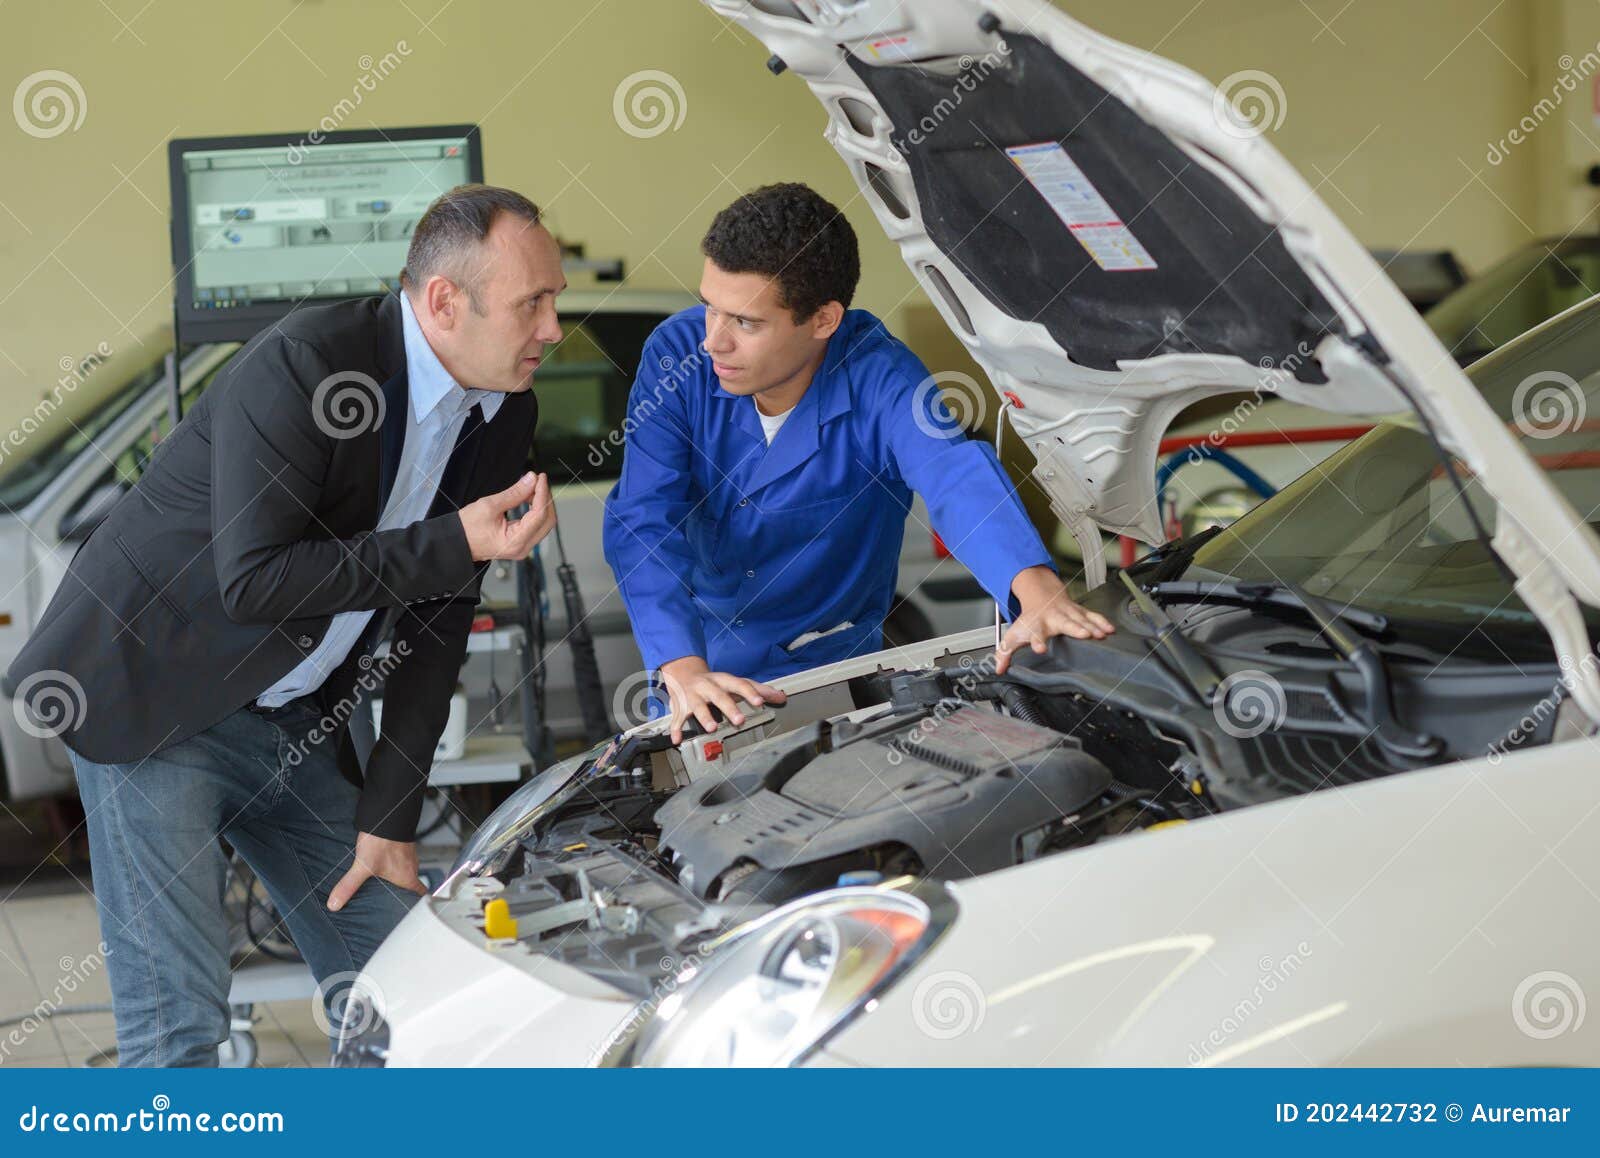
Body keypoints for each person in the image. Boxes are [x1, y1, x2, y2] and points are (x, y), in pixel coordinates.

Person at [3, 183, 563, 1066]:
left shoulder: (503, 408)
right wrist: (452, 540)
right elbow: (257, 581)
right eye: (534, 303)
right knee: (181, 1030)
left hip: (294, 720)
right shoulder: (309, 364)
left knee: (406, 996)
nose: (554, 329)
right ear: (444, 302)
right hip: (156, 698)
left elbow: (440, 614)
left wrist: (392, 816)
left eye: (554, 300)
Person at [603, 183, 1113, 743]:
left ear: (824, 320)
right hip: (695, 671)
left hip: (824, 679)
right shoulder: (676, 357)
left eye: (746, 322)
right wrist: (680, 666)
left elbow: (952, 473)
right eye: (709, 308)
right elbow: (644, 516)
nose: (713, 342)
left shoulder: (882, 378)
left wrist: (1037, 593)